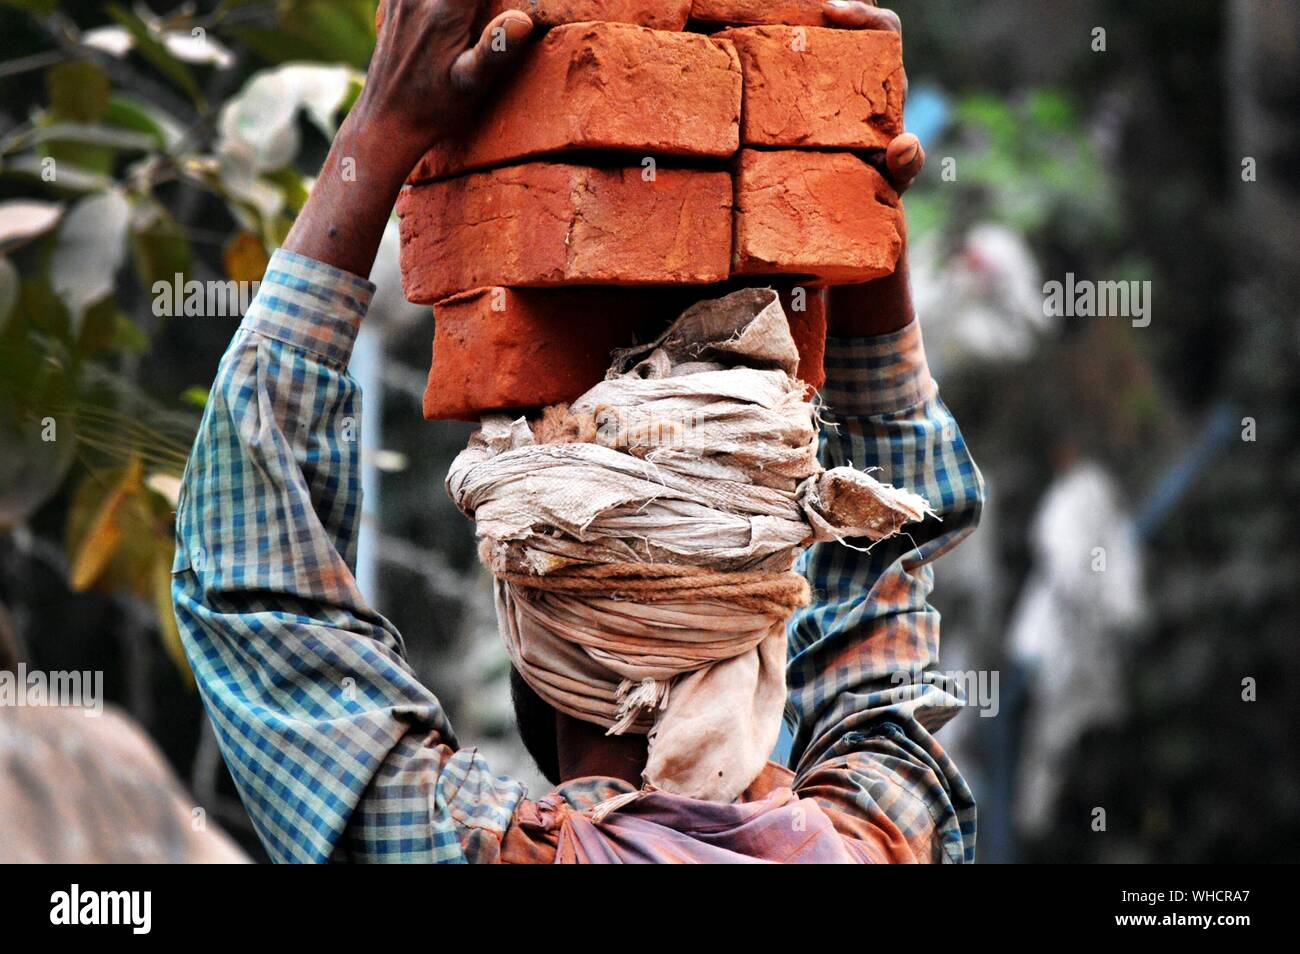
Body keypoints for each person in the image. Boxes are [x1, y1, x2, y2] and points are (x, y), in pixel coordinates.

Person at [171, 0, 984, 863]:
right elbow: (884, 613)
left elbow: (248, 584)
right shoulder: (877, 845)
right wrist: (833, 189)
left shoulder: (477, 852)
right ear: (769, 607)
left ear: (526, 622)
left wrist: (381, 127)